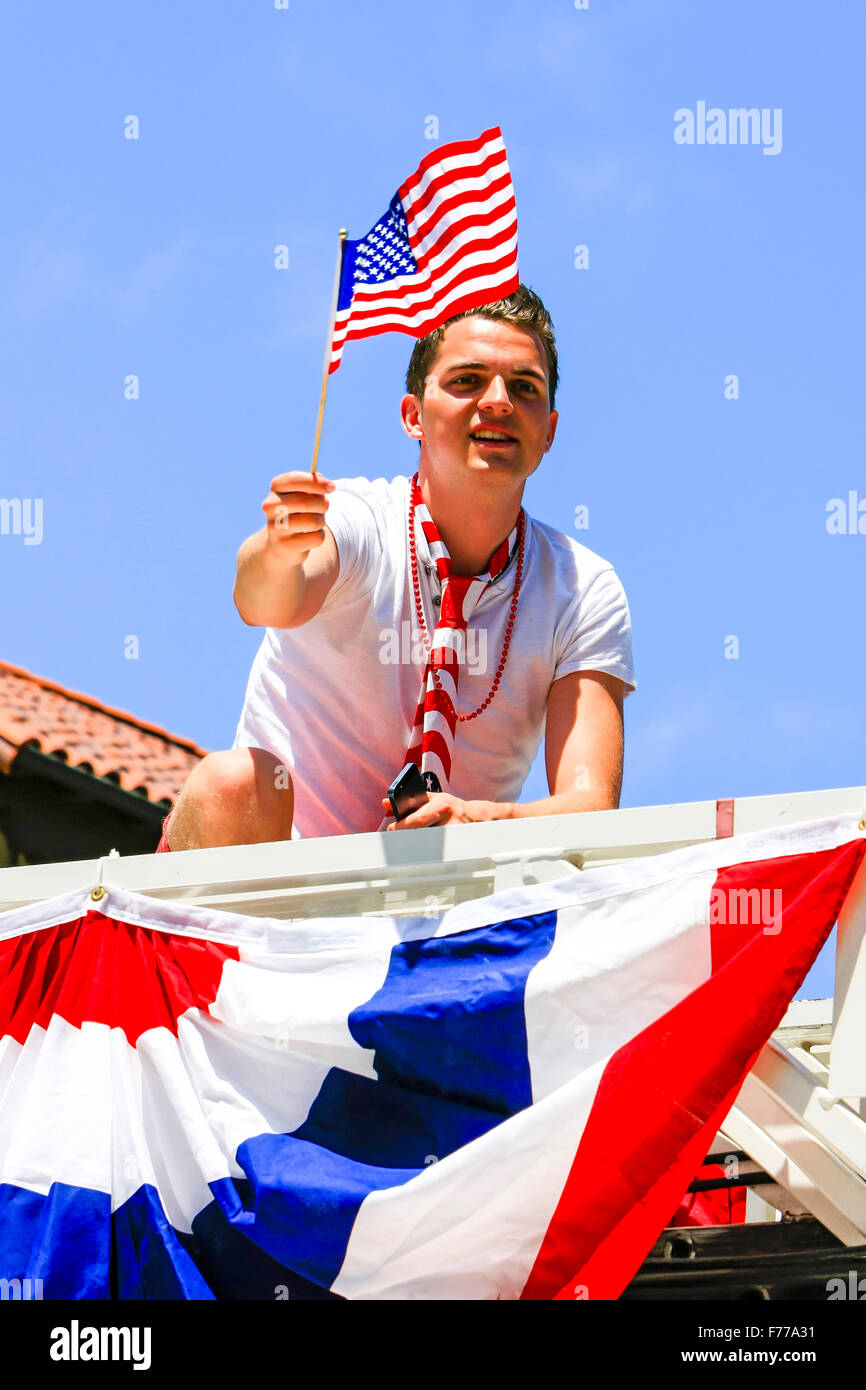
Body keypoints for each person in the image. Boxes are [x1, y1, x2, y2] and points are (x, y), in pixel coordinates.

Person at [157, 284, 635, 852]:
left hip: (448, 898)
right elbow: (265, 601)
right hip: (274, 878)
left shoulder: (583, 587)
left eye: (524, 387)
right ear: (413, 414)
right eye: (467, 381)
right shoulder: (357, 517)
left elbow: (589, 807)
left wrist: (477, 821)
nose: (499, 401)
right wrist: (278, 548)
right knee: (232, 781)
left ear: (549, 430)